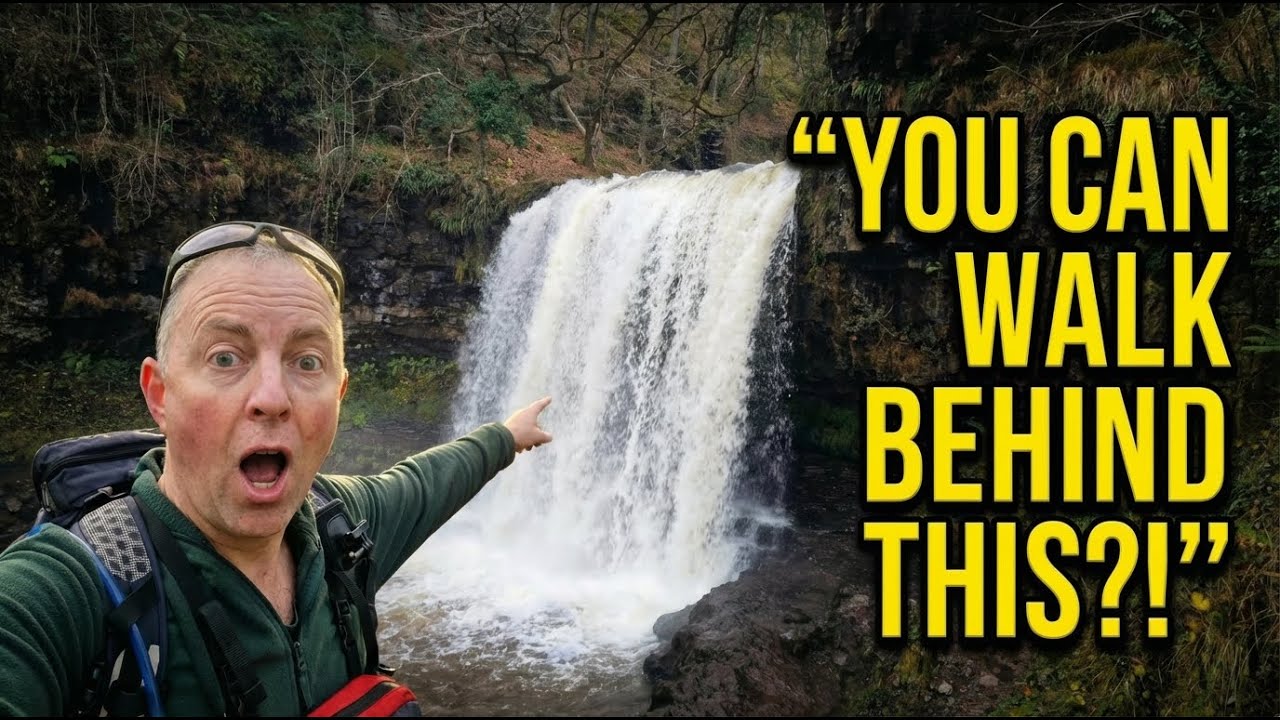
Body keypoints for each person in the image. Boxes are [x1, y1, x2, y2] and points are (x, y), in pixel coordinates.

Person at [0, 221, 552, 715]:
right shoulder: (64, 590)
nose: (272, 397)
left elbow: (425, 481)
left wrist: (505, 437)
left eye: (306, 362)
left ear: (338, 395)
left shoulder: (342, 531)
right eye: (225, 357)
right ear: (159, 394)